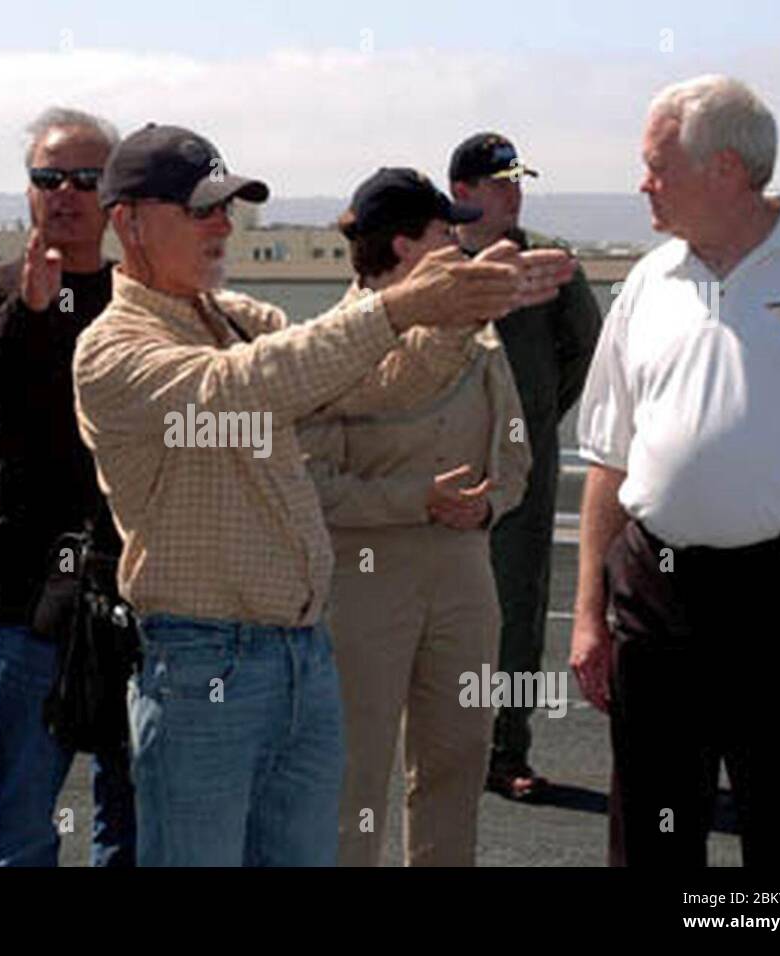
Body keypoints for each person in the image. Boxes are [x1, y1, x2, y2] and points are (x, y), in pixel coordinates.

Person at [73, 122, 574, 866]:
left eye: (227, 207)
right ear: (130, 223)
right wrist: (405, 308)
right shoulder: (114, 350)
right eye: (202, 208)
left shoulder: (244, 320)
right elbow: (241, 388)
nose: (223, 224)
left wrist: (457, 315)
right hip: (204, 663)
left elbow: (376, 388)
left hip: (299, 657)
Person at [570, 74, 780, 866]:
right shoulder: (646, 281)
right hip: (655, 588)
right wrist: (590, 613)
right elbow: (609, 455)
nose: (642, 184)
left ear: (726, 169)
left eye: (657, 165)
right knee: (652, 825)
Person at [299, 168, 532, 866]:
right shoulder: (328, 344)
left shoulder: (476, 334)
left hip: (464, 566)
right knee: (358, 771)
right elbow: (315, 486)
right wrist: (415, 500)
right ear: (404, 247)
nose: (459, 244)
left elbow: (517, 442)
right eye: (443, 232)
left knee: (459, 757)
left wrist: (491, 501)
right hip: (366, 573)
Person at [0, 107, 137, 866]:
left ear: (114, 197)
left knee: (134, 816)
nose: (65, 192)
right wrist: (25, 313)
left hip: (138, 595)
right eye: (47, 177)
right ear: (27, 192)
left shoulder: (140, 297)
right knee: (19, 819)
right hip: (26, 602)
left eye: (86, 179)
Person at [449, 132, 603, 801]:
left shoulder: (551, 267)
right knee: (431, 612)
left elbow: (583, 352)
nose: (515, 192)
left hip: (522, 475)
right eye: (500, 182)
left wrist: (532, 419)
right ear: (462, 193)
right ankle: (441, 745)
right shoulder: (430, 268)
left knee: (517, 611)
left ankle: (506, 747)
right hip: (441, 473)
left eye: (519, 182)